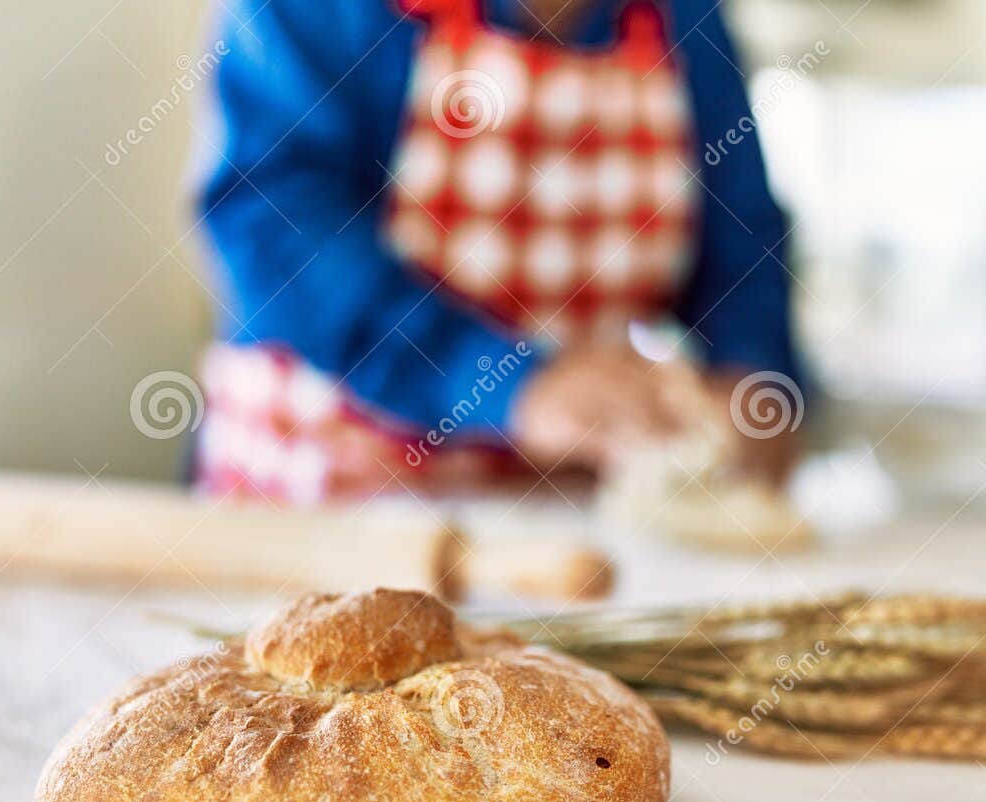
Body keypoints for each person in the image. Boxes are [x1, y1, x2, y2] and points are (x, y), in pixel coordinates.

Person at [195, 0, 802, 502]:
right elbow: (273, 220)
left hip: (559, 513)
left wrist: (751, 380)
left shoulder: (685, 19)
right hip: (325, 496)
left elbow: (741, 245)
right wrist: (506, 385)